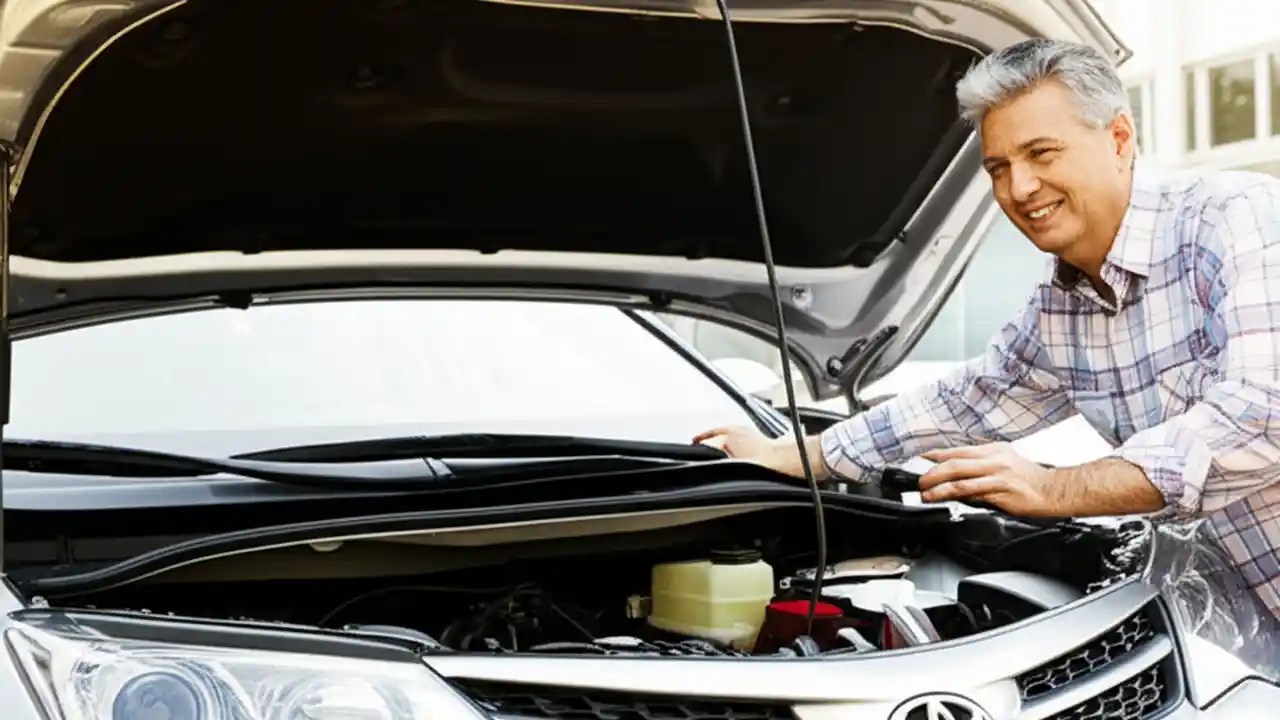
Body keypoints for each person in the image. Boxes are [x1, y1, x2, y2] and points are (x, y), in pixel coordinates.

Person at [693, 38, 1280, 630]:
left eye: (1041, 153)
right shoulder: (1062, 305)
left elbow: (1263, 415)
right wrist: (803, 456)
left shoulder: (1240, 220)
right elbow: (969, 399)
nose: (1019, 188)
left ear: (1119, 140)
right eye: (999, 167)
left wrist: (1054, 490)